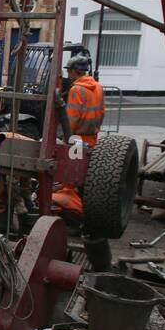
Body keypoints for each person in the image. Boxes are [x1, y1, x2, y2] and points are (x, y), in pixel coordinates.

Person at [52, 55, 105, 221]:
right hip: (91, 137)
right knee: (84, 173)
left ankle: (74, 211)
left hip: (77, 138)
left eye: (69, 71)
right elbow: (102, 112)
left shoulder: (77, 90)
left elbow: (72, 118)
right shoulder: (97, 87)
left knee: (71, 177)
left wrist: (65, 137)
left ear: (75, 71)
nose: (68, 74)